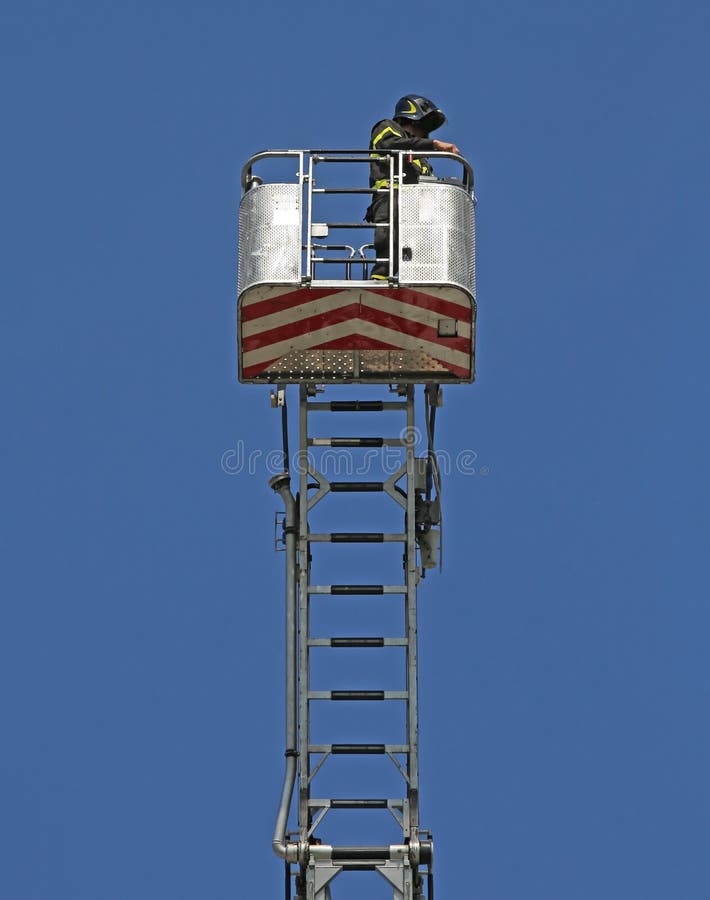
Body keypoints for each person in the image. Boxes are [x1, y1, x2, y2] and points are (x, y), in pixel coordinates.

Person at [366, 95, 460, 280]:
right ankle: (381, 277)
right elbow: (388, 145)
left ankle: (422, 277)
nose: (424, 133)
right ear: (407, 119)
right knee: (389, 235)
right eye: (421, 126)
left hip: (417, 203)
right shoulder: (387, 127)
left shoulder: (421, 156)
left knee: (420, 243)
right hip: (390, 194)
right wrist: (432, 145)